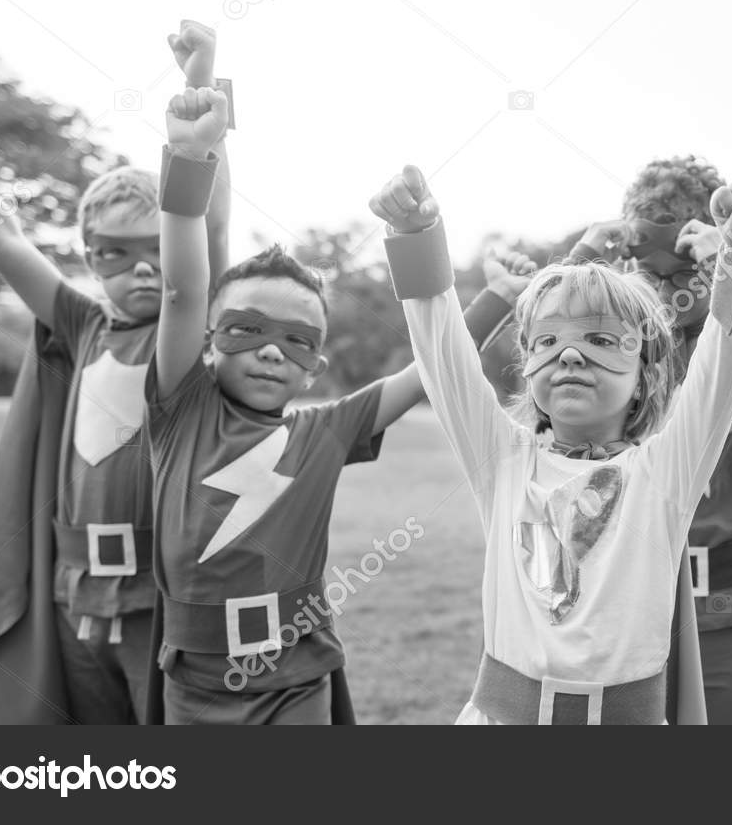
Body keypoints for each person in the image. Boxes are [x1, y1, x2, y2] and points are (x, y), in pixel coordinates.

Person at [0, 22, 234, 723]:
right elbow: (2, 238)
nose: (143, 267)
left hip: (163, 596)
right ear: (90, 257)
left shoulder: (189, 331)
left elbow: (204, 231)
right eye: (114, 253)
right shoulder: (81, 326)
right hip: (74, 593)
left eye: (154, 248)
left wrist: (198, 91)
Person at [144, 94, 511, 724]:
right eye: (247, 330)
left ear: (315, 363)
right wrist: (187, 155)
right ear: (207, 341)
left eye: (295, 341)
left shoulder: (324, 430)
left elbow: (429, 368)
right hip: (193, 684)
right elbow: (182, 288)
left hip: (297, 680)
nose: (269, 354)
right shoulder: (181, 409)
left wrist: (496, 297)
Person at [374, 163, 732, 724]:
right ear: (528, 364)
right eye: (548, 341)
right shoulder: (501, 462)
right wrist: (417, 235)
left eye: (599, 340)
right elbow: (443, 355)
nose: (570, 355)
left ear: (645, 373)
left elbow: (728, 357)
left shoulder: (666, 473)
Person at [571, 156, 732, 724]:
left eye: (677, 270)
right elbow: (551, 385)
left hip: (723, 603)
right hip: (623, 600)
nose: (661, 285)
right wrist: (582, 267)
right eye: (646, 269)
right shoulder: (616, 343)